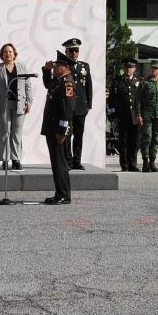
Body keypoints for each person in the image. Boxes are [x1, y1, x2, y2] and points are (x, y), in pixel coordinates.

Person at [0, 43, 33, 171]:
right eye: (5, 52)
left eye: (10, 52)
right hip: (3, 105)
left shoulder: (22, 67)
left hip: (19, 104)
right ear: (2, 55)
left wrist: (29, 102)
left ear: (14, 54)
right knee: (5, 132)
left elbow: (28, 86)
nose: (8, 54)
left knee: (17, 132)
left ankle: (16, 160)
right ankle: (5, 160)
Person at [40, 51, 77, 205]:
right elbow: (48, 84)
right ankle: (59, 193)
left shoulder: (67, 83)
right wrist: (46, 70)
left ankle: (64, 195)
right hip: (52, 129)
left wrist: (62, 131)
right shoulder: (59, 81)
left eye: (57, 65)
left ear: (66, 67)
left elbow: (67, 110)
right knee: (56, 163)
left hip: (58, 131)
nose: (55, 67)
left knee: (60, 163)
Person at [61, 38, 92, 170]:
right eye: (72, 51)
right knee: (67, 134)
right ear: (66, 51)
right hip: (68, 106)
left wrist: (89, 103)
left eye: (76, 51)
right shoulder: (63, 66)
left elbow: (89, 85)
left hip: (80, 106)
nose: (74, 53)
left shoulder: (84, 66)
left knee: (79, 135)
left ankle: (76, 161)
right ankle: (67, 161)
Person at [108, 57, 143, 172]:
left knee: (135, 141)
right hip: (122, 116)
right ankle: (125, 165)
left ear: (134, 69)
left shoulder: (140, 81)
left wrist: (142, 115)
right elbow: (111, 99)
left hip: (136, 116)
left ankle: (133, 164)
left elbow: (143, 99)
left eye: (131, 67)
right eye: (127, 67)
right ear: (123, 68)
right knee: (123, 141)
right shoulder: (117, 81)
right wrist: (113, 116)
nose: (129, 70)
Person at [137, 59, 158, 172]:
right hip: (147, 114)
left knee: (156, 139)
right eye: (152, 68)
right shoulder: (145, 82)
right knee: (147, 138)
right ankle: (145, 162)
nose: (153, 70)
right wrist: (139, 115)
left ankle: (152, 162)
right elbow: (138, 100)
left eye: (156, 68)